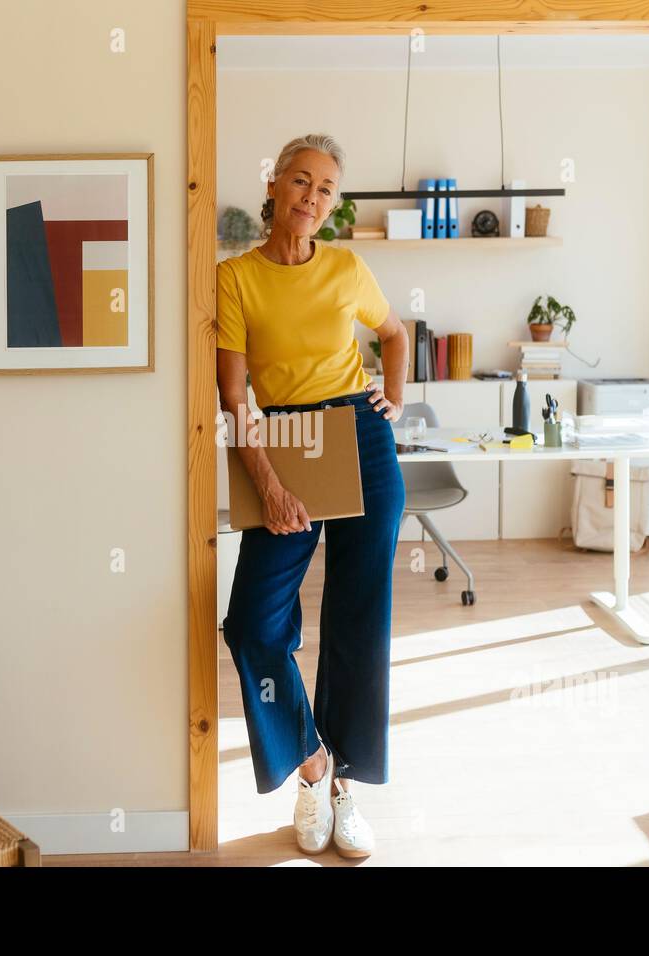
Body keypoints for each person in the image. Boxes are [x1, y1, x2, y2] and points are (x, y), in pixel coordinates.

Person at [215, 133, 409, 859]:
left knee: (361, 619)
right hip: (284, 441)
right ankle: (311, 765)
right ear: (274, 184)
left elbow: (393, 333)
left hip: (359, 437)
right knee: (252, 625)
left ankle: (345, 790)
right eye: (302, 180)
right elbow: (234, 397)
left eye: (326, 189)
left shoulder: (348, 267)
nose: (312, 197)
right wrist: (267, 483)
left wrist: (393, 397)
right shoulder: (234, 278)